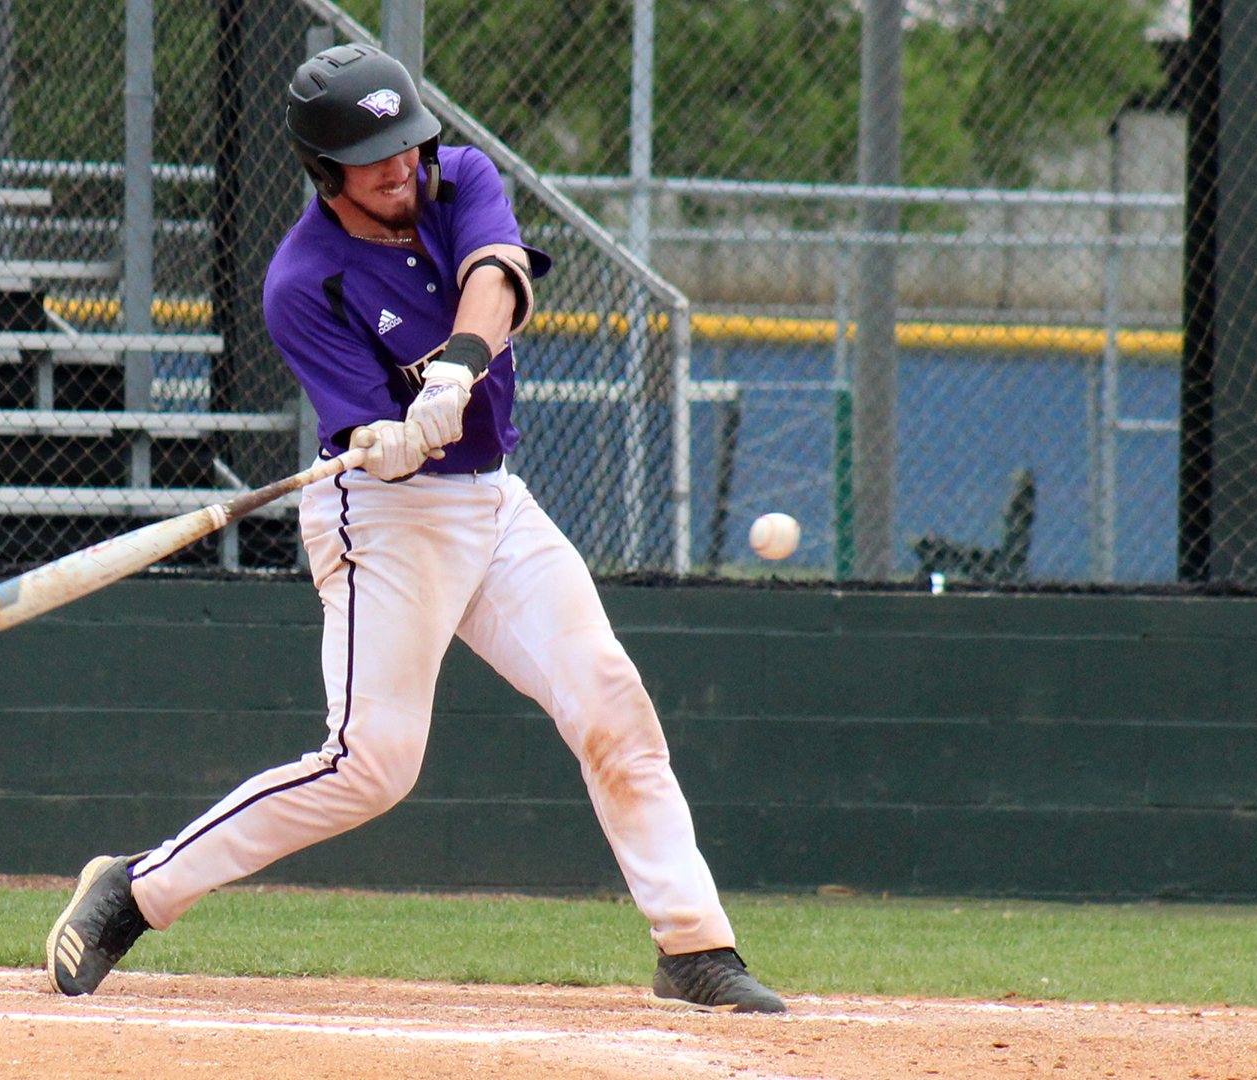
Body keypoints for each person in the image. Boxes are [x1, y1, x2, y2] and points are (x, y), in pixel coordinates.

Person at [42, 43, 785, 1014]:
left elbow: (498, 274)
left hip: (495, 500)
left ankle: (694, 946)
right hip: (385, 518)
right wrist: (385, 441)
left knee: (611, 703)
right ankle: (135, 891)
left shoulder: (458, 177)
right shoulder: (302, 282)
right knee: (371, 767)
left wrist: (456, 367)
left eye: (406, 144)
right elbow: (368, 436)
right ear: (325, 171)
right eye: (374, 157)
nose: (401, 167)